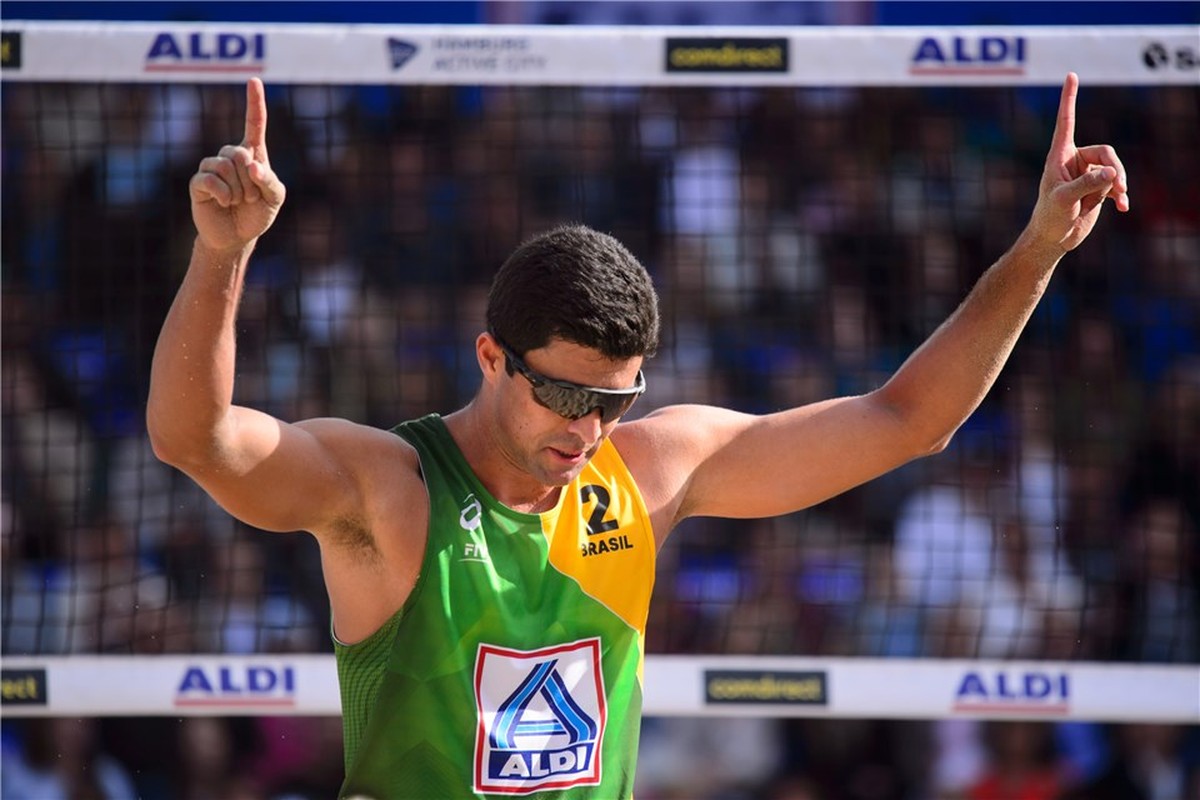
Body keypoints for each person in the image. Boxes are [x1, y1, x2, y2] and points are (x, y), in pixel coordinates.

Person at [146, 74, 1128, 799]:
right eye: (561, 394)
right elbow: (196, 439)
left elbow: (909, 421)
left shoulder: (650, 468)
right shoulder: (387, 486)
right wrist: (222, 255)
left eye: (613, 401)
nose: (586, 429)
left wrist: (1040, 249)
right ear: (491, 357)